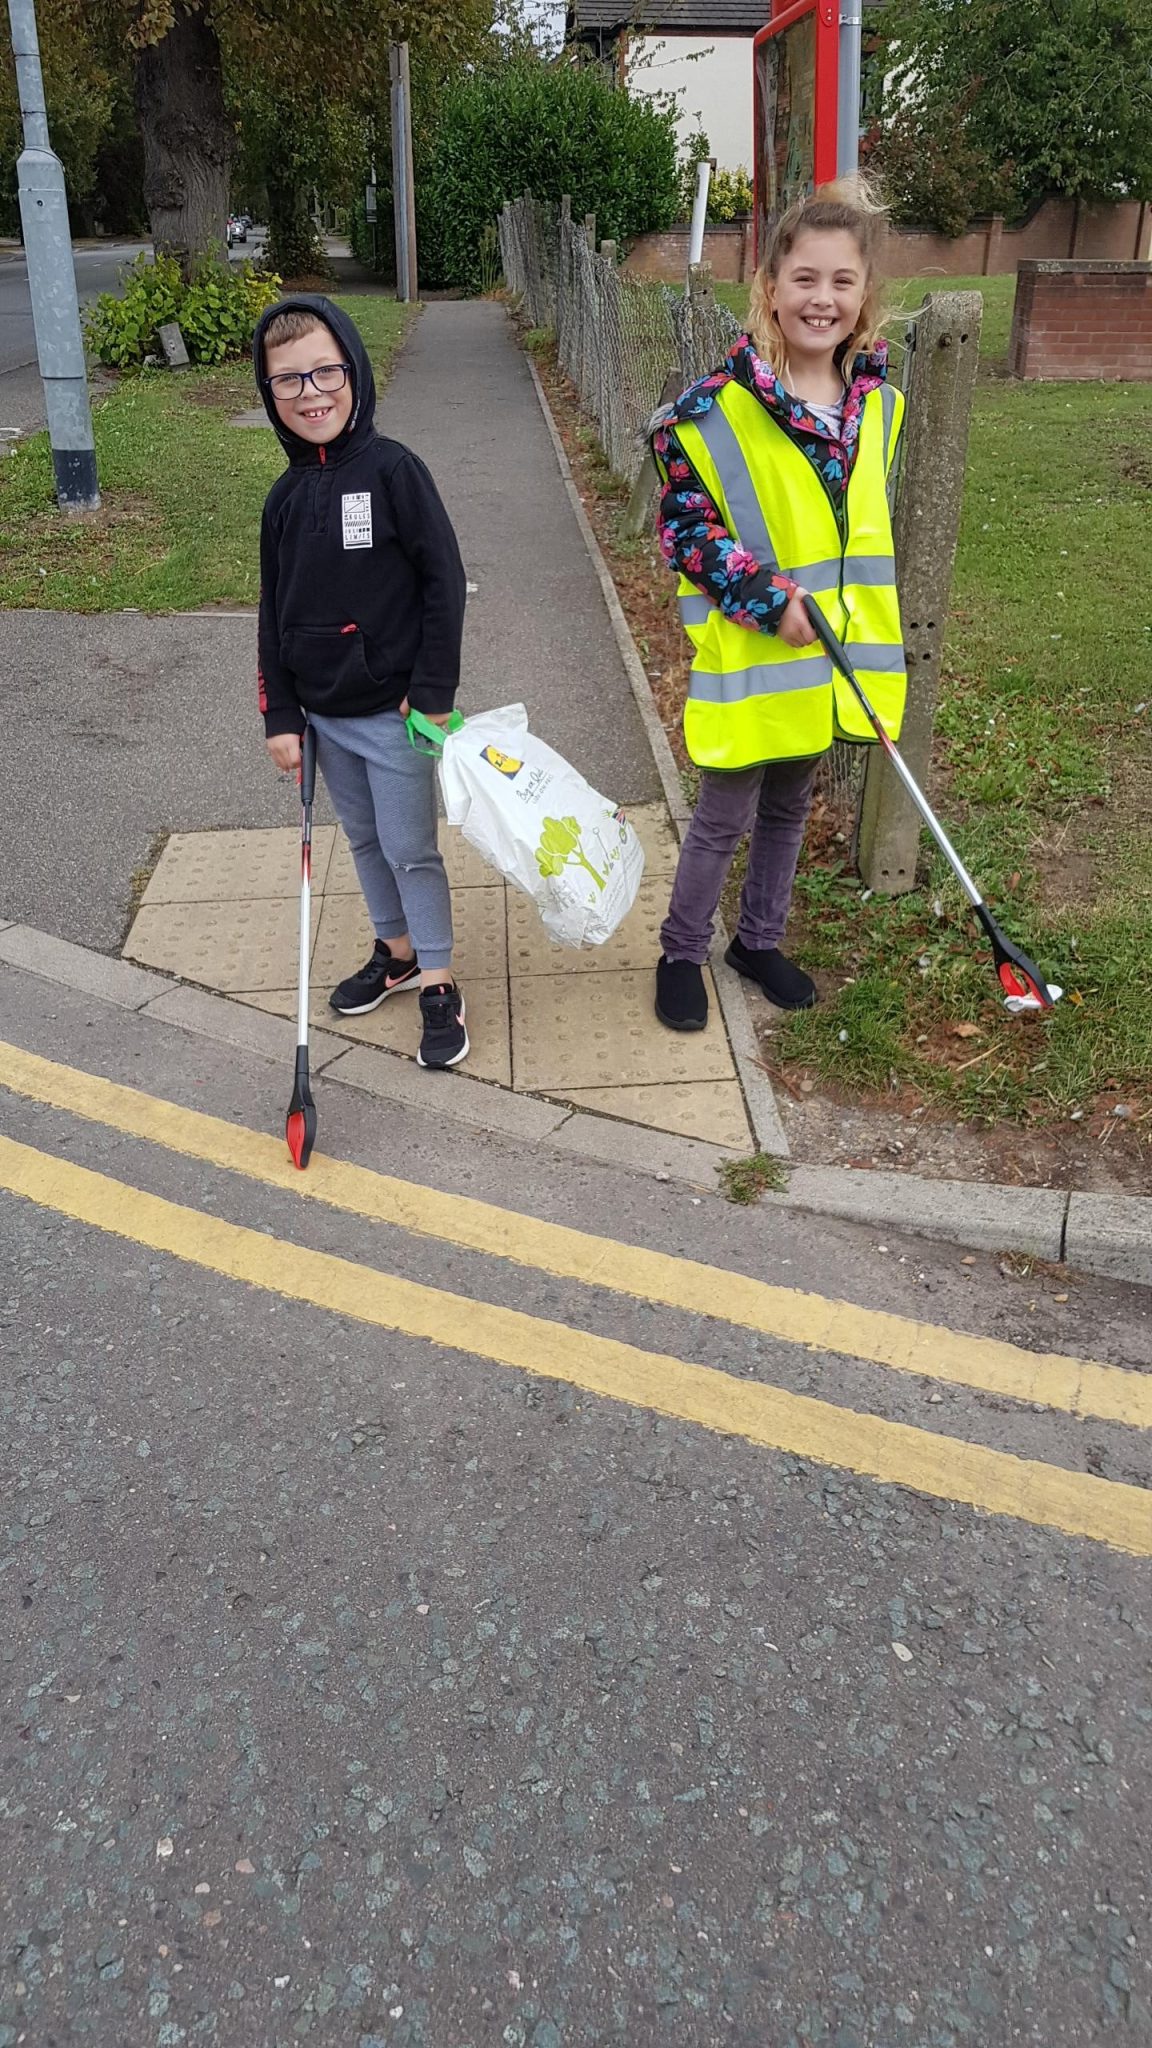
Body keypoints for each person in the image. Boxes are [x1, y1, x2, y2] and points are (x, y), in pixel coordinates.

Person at [650, 177, 907, 1032]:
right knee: (723, 815)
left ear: (864, 296)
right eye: (804, 279)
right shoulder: (715, 414)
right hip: (755, 660)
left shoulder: (878, 410)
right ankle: (682, 949)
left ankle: (757, 940)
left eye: (841, 281)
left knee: (792, 806)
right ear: (769, 288)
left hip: (829, 663)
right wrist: (763, 596)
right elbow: (687, 531)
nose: (822, 299)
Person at [255, 295, 470, 1069]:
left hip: (396, 713)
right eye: (288, 381)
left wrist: (434, 692)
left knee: (412, 847)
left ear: (353, 370)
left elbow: (443, 582)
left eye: (325, 372)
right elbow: (271, 611)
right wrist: (282, 713)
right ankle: (399, 951)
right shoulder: (282, 499)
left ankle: (439, 980)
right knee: (365, 839)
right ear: (269, 393)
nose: (311, 393)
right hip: (322, 716)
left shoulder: (394, 472)